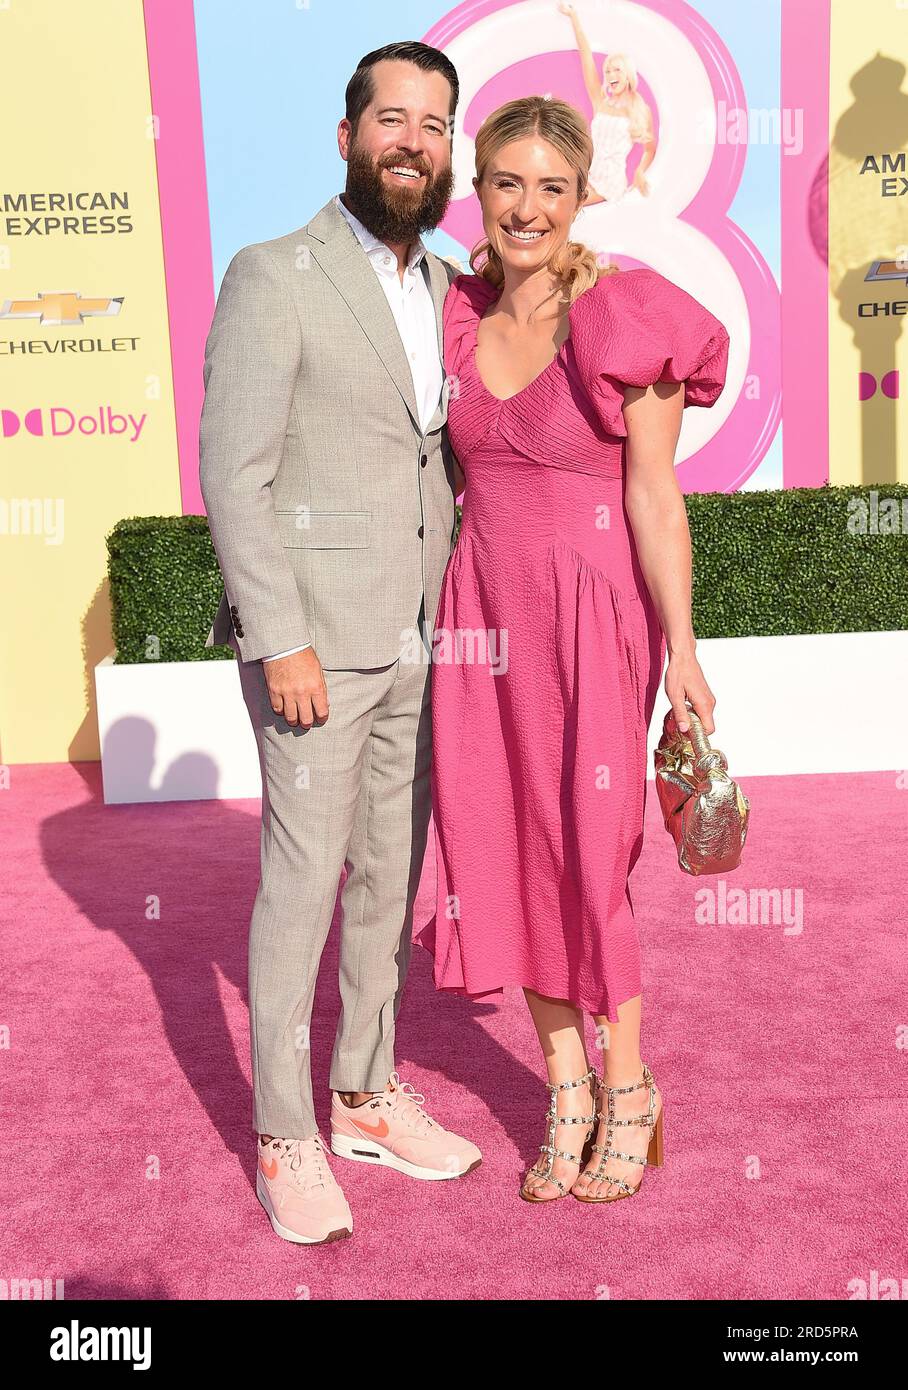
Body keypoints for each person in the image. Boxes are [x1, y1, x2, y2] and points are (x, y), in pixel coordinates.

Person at [415, 95, 729, 1204]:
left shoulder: (620, 314)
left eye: (552, 185)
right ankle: (565, 1087)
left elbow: (654, 495)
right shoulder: (452, 317)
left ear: (581, 194)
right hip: (476, 621)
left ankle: (629, 1084)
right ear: (479, 190)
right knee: (496, 843)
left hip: (592, 616)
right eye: (507, 182)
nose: (527, 206)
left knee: (588, 852)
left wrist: (682, 646)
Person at [199, 41, 481, 1247]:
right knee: (303, 882)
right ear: (345, 136)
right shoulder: (276, 273)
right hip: (315, 644)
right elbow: (234, 474)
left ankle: (364, 1090)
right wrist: (280, 640)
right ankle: (283, 1129)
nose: (410, 139)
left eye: (431, 122)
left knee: (388, 876)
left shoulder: (451, 283)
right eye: (390, 118)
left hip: (423, 635)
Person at [558, 1, 656, 204]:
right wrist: (573, 17)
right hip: (588, 173)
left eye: (617, 70)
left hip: (610, 183)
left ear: (628, 74)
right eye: (608, 71)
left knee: (568, 205)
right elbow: (586, 54)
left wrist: (639, 172)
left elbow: (649, 149)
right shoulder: (601, 102)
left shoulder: (639, 109)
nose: (611, 75)